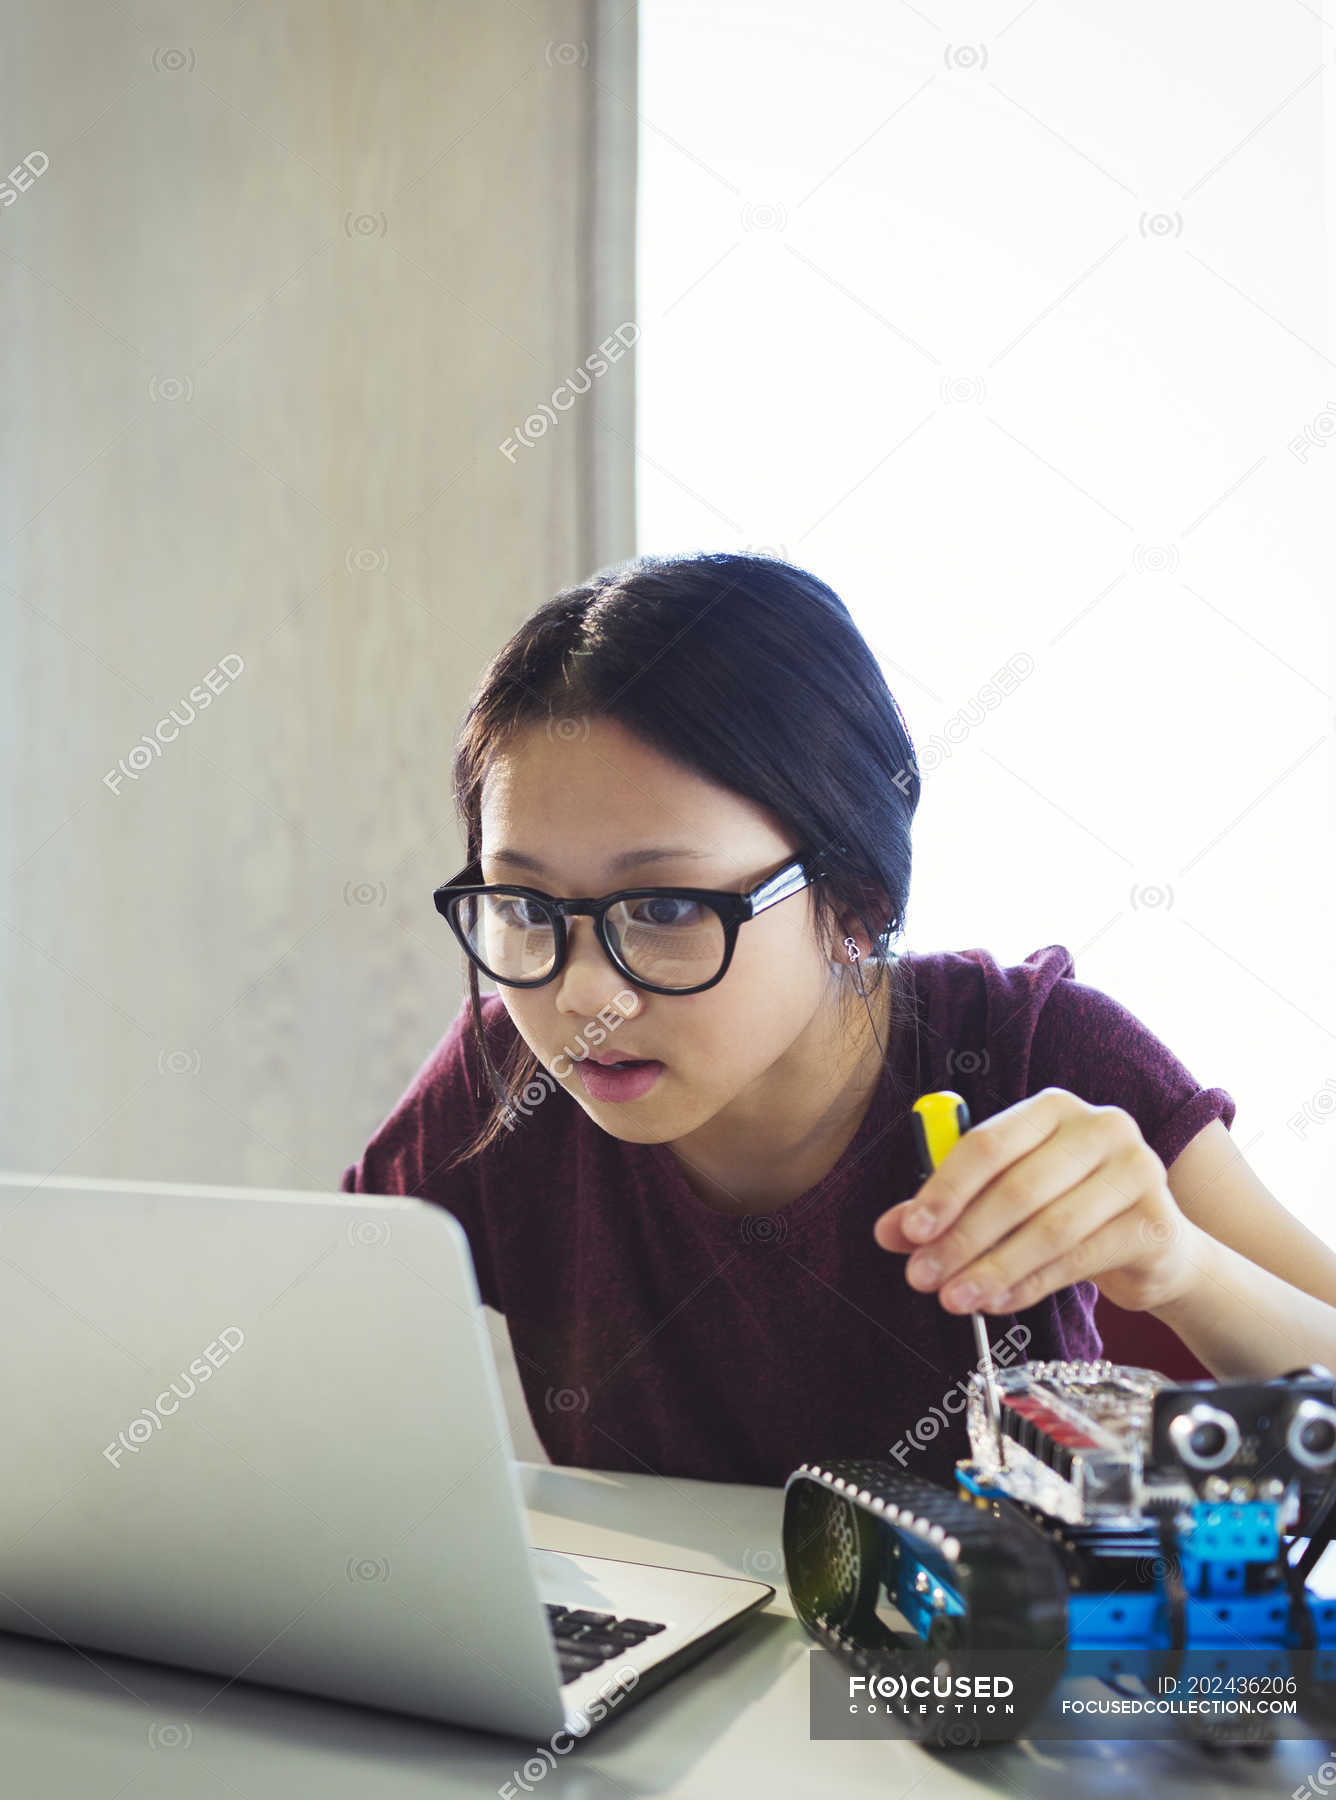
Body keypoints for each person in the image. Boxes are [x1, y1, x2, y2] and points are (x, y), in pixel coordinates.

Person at [342, 551, 1336, 1489]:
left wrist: (1182, 1266)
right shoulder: (503, 1083)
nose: (581, 1000)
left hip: (979, 1669)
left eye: (665, 909)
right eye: (523, 909)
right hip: (673, 1667)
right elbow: (301, 1350)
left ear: (855, 904)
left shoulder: (1035, 1054)